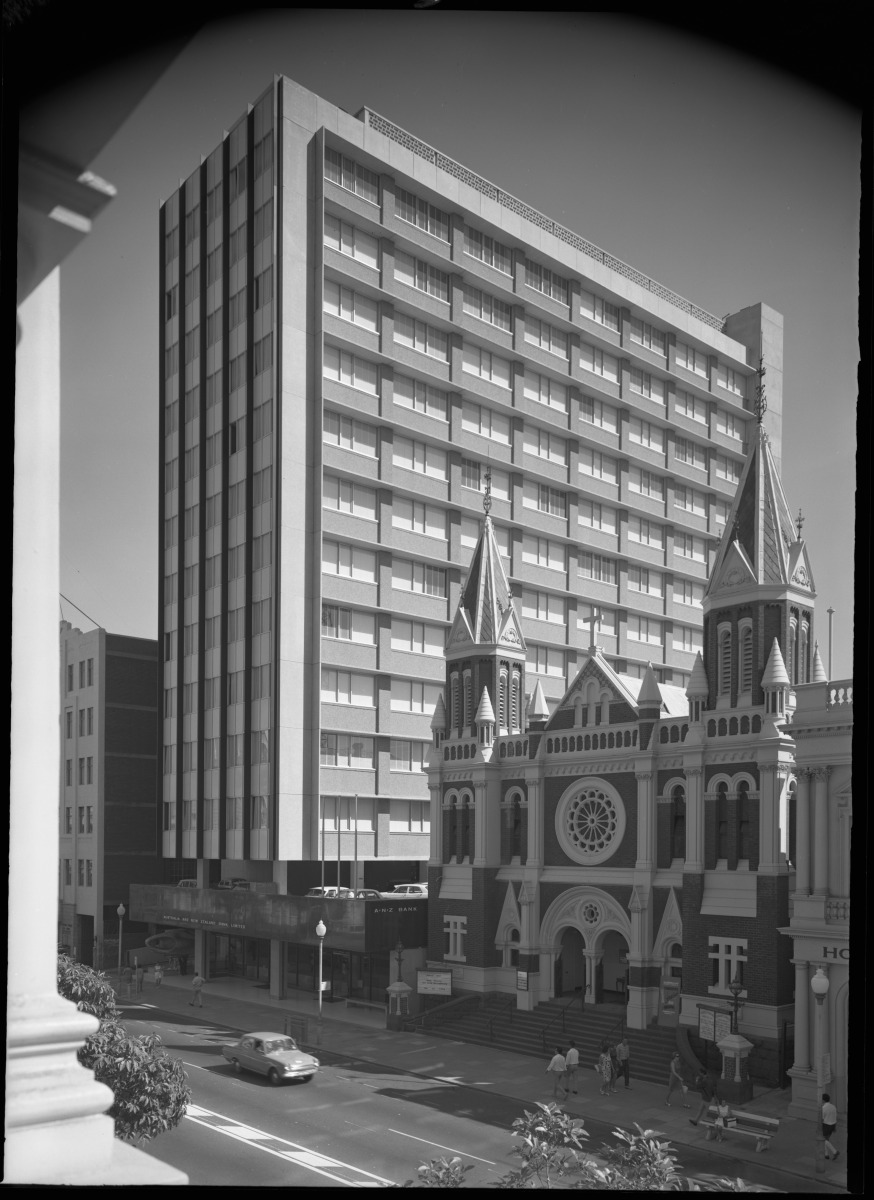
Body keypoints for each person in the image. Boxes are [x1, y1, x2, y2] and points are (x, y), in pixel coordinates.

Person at [822, 1093, 839, 1161]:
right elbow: (835, 1116)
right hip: (832, 1125)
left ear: (823, 1100)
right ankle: (826, 1155)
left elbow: (821, 1119)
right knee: (826, 1140)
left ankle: (835, 1152)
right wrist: (834, 1127)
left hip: (826, 1125)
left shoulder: (823, 1108)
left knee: (823, 1140)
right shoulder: (833, 1106)